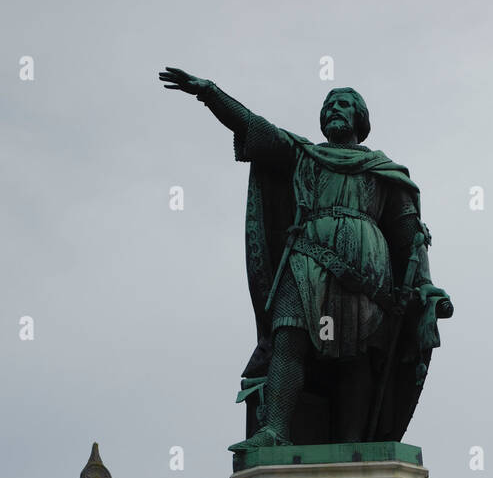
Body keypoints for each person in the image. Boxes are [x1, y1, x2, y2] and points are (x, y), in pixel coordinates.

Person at [158, 69, 452, 448]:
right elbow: (254, 127)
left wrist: (425, 284)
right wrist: (211, 94)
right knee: (288, 335)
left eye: (344, 104)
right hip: (306, 261)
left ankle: (352, 443)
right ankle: (275, 430)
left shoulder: (384, 173)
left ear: (360, 119)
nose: (334, 109)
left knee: (357, 354)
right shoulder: (304, 156)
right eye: (329, 105)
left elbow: (411, 235)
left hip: (367, 275)